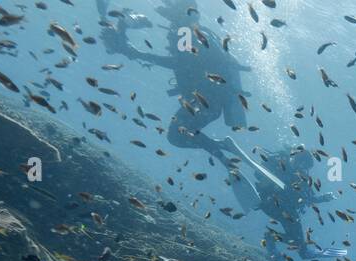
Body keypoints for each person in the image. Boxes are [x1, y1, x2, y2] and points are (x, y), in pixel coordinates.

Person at [99, 1, 249, 162]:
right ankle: (222, 148)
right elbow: (185, 62)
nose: (165, 7)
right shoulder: (190, 29)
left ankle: (222, 154)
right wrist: (135, 52)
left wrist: (138, 54)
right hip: (211, 97)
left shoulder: (184, 30)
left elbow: (180, 62)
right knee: (179, 133)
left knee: (176, 134)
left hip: (208, 98)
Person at [230, 145, 346, 261]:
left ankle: (274, 238)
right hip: (270, 203)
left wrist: (323, 198)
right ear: (294, 158)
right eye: (300, 164)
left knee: (296, 240)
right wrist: (272, 179)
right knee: (297, 238)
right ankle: (294, 248)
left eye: (304, 168)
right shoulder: (278, 162)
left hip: (288, 210)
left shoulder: (301, 177)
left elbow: (309, 198)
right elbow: (257, 173)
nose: (301, 169)